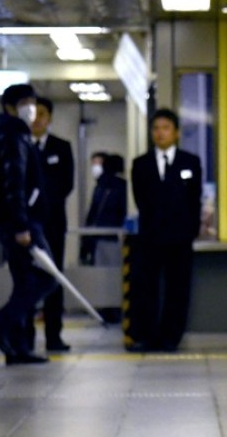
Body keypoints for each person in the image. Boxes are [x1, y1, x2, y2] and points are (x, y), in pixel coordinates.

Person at [0, 83, 57, 365]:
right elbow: (15, 184)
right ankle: (0, 324)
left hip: (16, 221)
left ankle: (18, 347)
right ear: (9, 107)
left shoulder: (11, 134)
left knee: (24, 283)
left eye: (33, 102)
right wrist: (22, 225)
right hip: (22, 224)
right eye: (25, 102)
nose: (31, 108)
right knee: (46, 278)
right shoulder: (15, 136)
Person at [129, 109, 203, 352]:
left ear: (176, 133)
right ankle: (146, 337)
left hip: (180, 237)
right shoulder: (140, 164)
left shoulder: (190, 162)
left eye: (165, 128)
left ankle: (171, 337)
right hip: (150, 237)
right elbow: (141, 200)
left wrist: (190, 230)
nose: (160, 133)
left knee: (177, 289)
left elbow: (194, 200)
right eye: (156, 128)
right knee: (146, 288)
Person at [27, 97, 75, 352]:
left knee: (54, 279)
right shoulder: (22, 144)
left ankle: (54, 335)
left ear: (50, 118)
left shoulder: (61, 147)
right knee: (26, 279)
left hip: (54, 224)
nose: (37, 119)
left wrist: (43, 204)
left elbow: (66, 184)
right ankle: (25, 337)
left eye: (42, 113)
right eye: (33, 113)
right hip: (26, 225)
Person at [83, 152, 127, 267]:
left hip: (102, 236)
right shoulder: (121, 186)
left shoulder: (102, 186)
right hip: (111, 237)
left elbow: (92, 215)